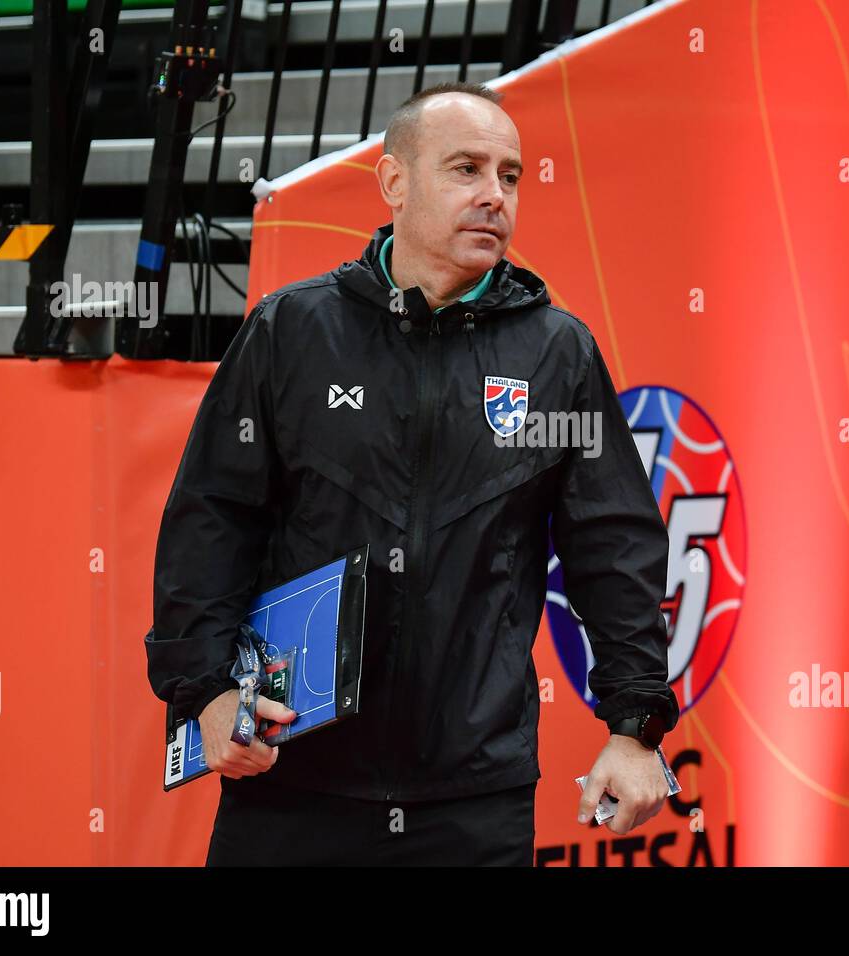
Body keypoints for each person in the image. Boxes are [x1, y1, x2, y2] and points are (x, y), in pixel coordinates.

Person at [144, 81, 679, 866]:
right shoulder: (292, 330)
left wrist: (634, 729)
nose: (494, 195)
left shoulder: (557, 354)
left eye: (510, 176)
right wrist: (207, 693)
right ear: (395, 183)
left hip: (472, 801)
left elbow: (614, 548)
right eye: (466, 169)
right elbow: (211, 522)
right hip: (293, 780)